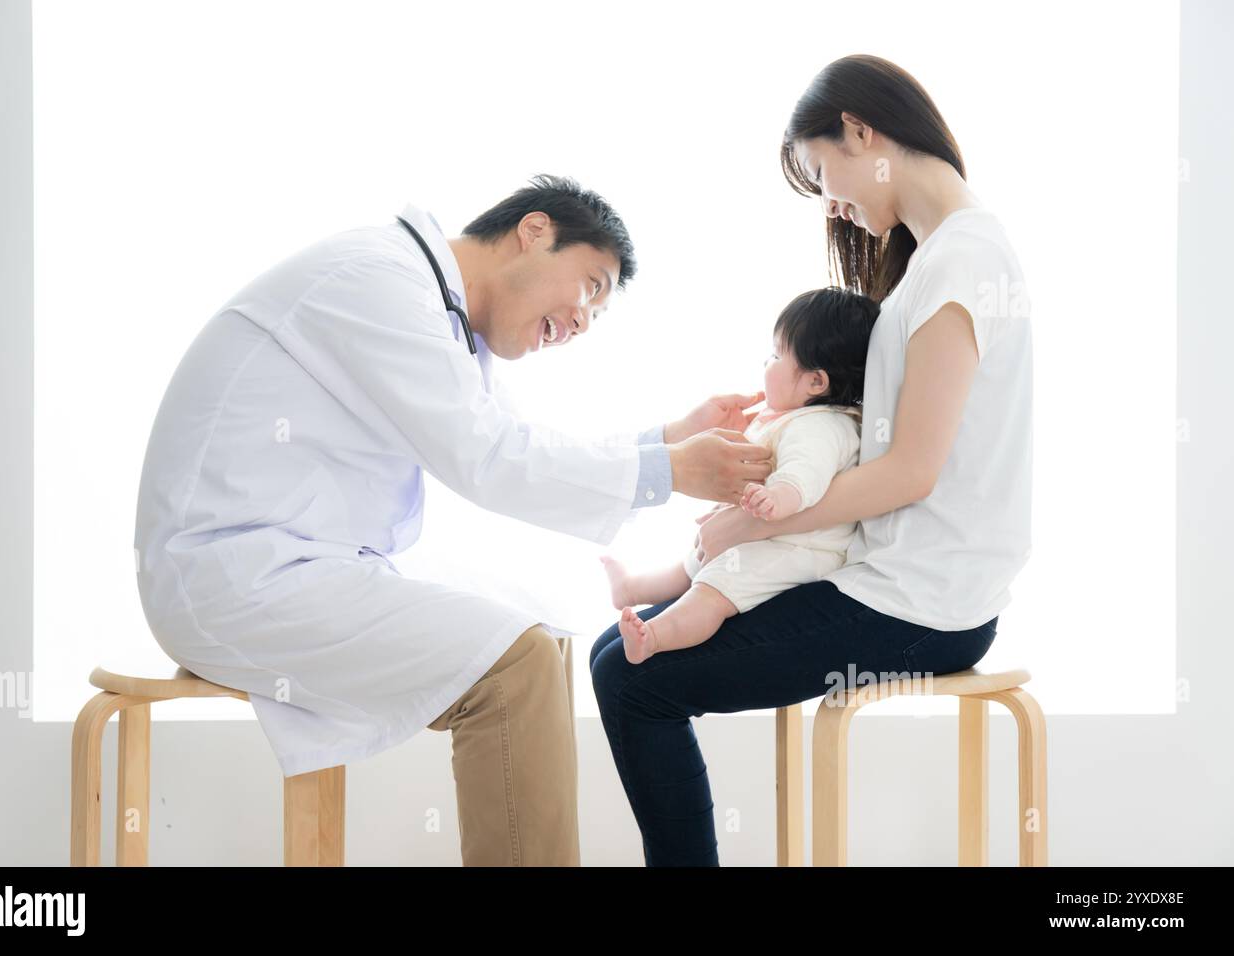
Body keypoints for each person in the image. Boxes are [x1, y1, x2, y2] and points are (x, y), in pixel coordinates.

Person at [133, 174, 775, 866]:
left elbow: (506, 440)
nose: (585, 321)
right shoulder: (381, 281)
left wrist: (669, 441)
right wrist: (672, 469)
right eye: (591, 286)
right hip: (226, 577)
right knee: (516, 662)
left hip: (289, 565)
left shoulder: (429, 308)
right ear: (535, 231)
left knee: (542, 635)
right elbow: (492, 457)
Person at [590, 54, 1033, 866]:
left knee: (632, 680)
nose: (832, 200)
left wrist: (748, 531)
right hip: (899, 582)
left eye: (823, 172)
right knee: (613, 655)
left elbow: (912, 473)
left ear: (862, 133)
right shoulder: (938, 262)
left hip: (923, 605)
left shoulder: (962, 262)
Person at [598, 287, 878, 664]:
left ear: (815, 383)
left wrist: (778, 497)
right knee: (690, 565)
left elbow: (805, 475)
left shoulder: (824, 428)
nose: (767, 362)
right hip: (765, 539)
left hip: (800, 552)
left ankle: (656, 638)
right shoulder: (794, 418)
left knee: (713, 590)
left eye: (777, 355)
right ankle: (630, 590)